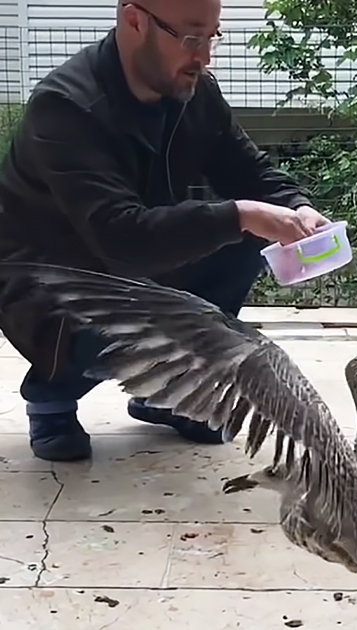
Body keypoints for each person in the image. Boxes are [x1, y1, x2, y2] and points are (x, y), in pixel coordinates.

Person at [0, 0, 333, 462]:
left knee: (245, 238)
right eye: (192, 38)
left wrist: (297, 209)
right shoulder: (67, 108)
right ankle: (51, 394)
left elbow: (247, 170)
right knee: (222, 232)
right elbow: (120, 239)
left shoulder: (194, 92)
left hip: (143, 259)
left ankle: (169, 393)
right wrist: (239, 215)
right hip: (53, 285)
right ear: (135, 20)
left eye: (213, 36)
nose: (205, 56)